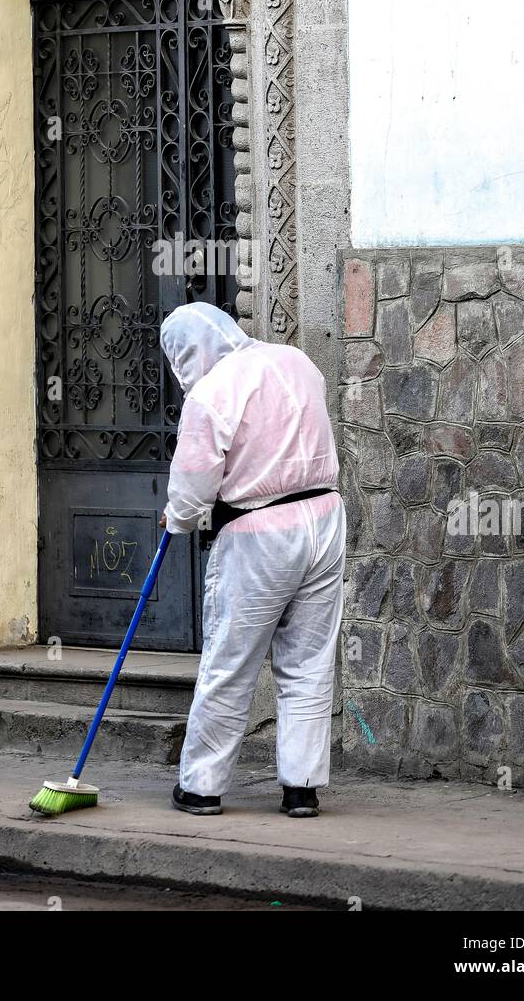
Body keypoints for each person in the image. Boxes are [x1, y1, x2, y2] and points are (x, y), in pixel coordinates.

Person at [159, 301, 346, 819]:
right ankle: (301, 788)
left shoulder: (211, 393)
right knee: (308, 662)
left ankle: (201, 786)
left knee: (230, 660)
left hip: (259, 533)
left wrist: (177, 518)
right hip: (325, 517)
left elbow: (194, 483)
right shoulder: (295, 360)